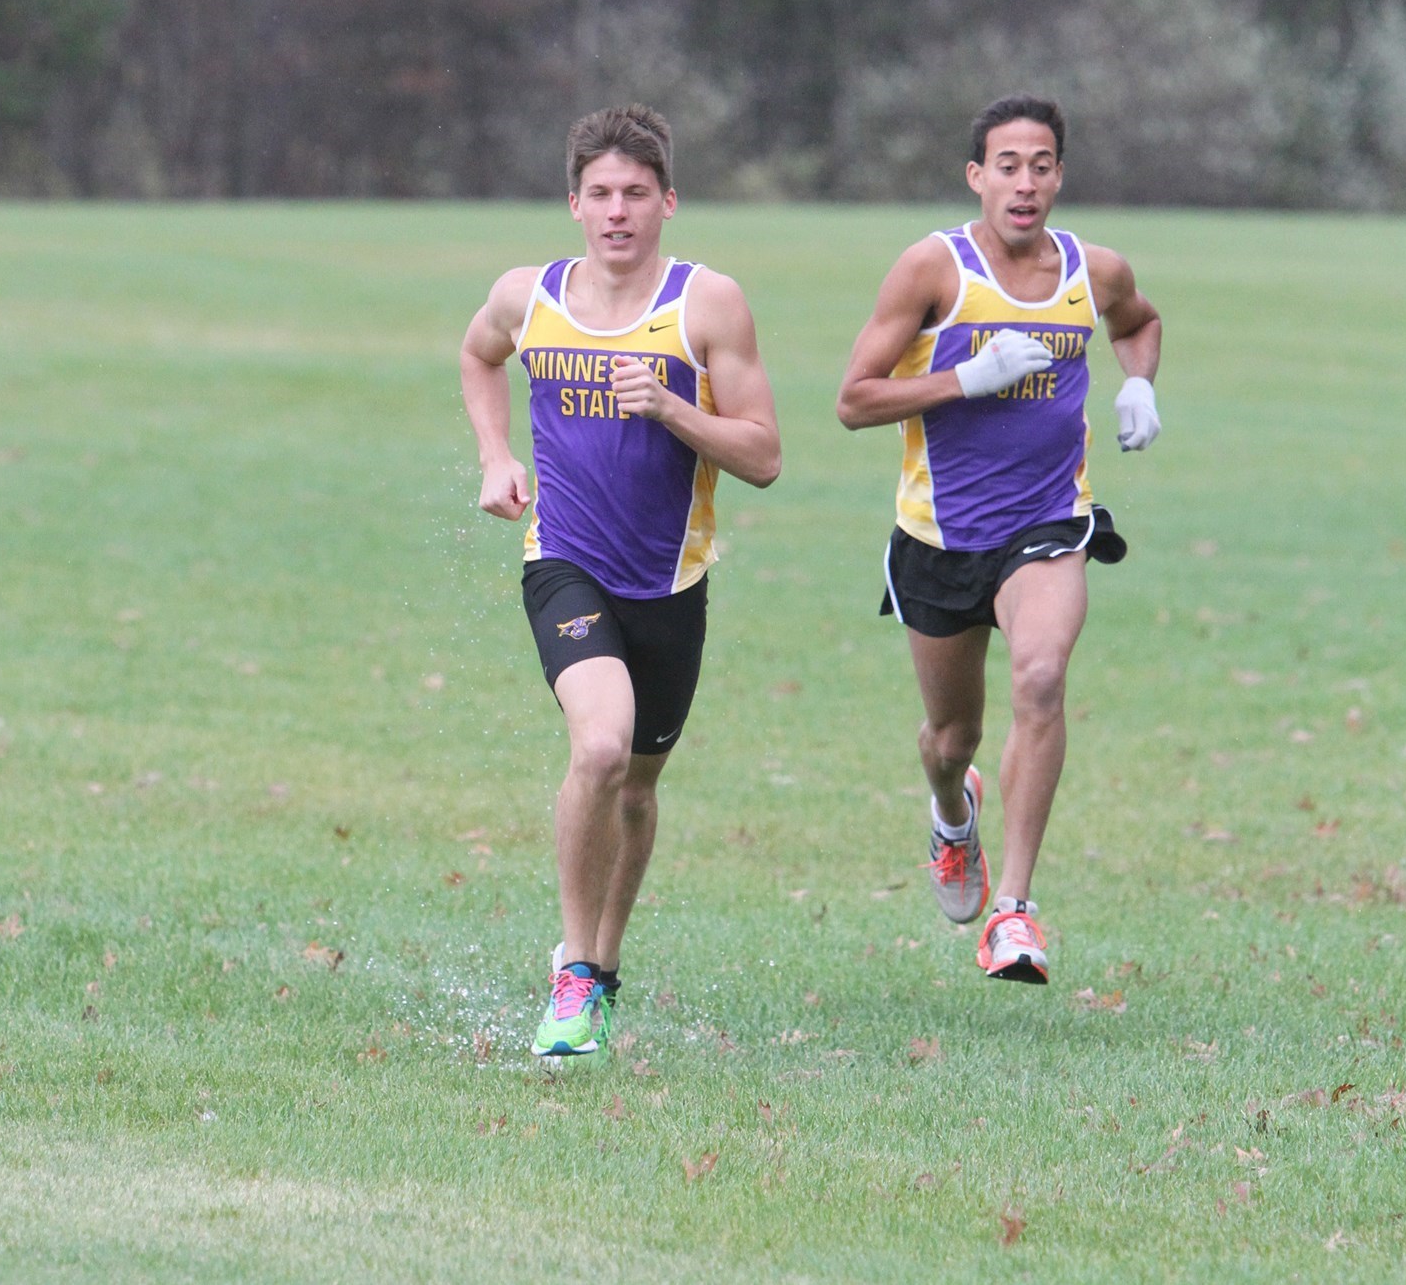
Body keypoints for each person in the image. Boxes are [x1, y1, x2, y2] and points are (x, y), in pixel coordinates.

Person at [460, 104, 781, 1055]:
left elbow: (763, 455)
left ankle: (601, 967)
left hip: (670, 585)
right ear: (573, 204)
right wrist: (494, 455)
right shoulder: (528, 296)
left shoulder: (706, 305)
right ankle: (569, 967)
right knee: (598, 749)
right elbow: (480, 355)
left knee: (637, 789)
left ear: (668, 202)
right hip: (564, 562)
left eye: (636, 193)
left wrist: (679, 410)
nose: (617, 211)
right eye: (599, 193)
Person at [835, 94, 1162, 984]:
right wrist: (964, 377)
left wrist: (1139, 385)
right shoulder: (930, 270)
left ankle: (1013, 912)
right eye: (1007, 165)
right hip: (940, 537)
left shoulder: (1092, 270)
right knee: (951, 736)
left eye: (1042, 164)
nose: (1026, 182)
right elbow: (854, 399)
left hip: (1050, 521)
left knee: (1043, 676)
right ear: (976, 176)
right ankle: (953, 812)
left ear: (1060, 174)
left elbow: (1137, 323)